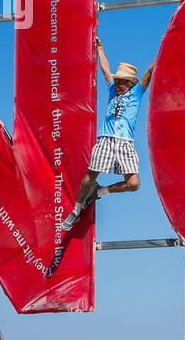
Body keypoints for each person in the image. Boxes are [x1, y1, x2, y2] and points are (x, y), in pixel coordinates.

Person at [61, 37, 154, 232]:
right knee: (89, 176)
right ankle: (76, 210)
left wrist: (165, 44)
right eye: (117, 80)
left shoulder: (136, 93)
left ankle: (100, 192)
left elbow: (150, 71)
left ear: (130, 83)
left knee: (134, 183)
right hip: (105, 139)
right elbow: (104, 69)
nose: (118, 84)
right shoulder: (113, 90)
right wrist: (100, 49)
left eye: (122, 82)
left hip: (125, 143)